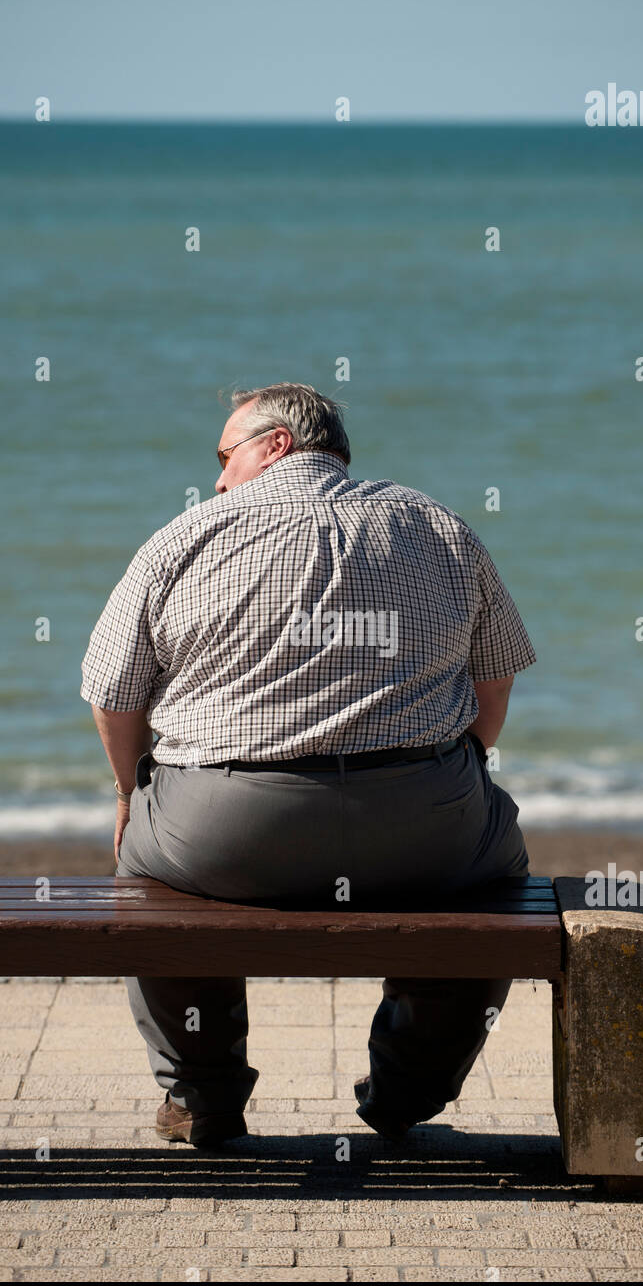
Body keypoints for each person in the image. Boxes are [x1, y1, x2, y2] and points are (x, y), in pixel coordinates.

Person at [80, 382, 536, 1146]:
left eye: (224, 457)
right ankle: (406, 1092)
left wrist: (131, 794)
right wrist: (455, 768)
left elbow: (113, 696)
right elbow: (494, 680)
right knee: (492, 873)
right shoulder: (437, 524)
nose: (219, 478)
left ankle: (204, 1095)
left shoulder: (184, 536)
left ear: (276, 444)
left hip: (225, 833)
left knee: (148, 874)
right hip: (423, 828)